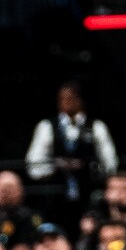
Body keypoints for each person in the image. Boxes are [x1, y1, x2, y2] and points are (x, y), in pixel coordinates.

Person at [25, 81, 119, 225]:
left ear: (80, 100)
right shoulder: (47, 127)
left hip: (89, 195)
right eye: (62, 99)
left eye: (71, 98)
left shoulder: (96, 127)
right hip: (55, 198)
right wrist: (56, 166)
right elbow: (34, 166)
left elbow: (110, 165)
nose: (66, 102)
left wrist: (88, 166)